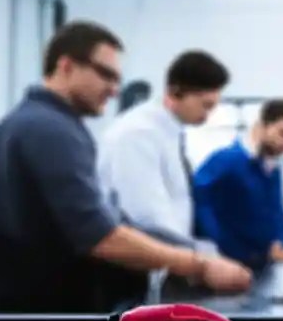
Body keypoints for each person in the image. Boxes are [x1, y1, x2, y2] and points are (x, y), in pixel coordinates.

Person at [0, 22, 251, 314]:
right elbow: (100, 236)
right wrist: (199, 265)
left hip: (28, 312)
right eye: (106, 75)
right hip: (51, 316)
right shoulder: (51, 130)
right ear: (66, 66)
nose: (114, 90)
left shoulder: (23, 124)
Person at [97, 50, 229, 252]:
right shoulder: (138, 133)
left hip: (163, 257)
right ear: (175, 92)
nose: (207, 116)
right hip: (134, 264)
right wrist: (195, 258)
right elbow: (146, 215)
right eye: (205, 106)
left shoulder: (169, 132)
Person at [194, 99, 283, 269]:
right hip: (227, 262)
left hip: (262, 263)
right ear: (261, 127)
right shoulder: (226, 160)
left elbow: (276, 210)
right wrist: (219, 242)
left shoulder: (272, 169)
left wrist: (281, 241)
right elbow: (199, 202)